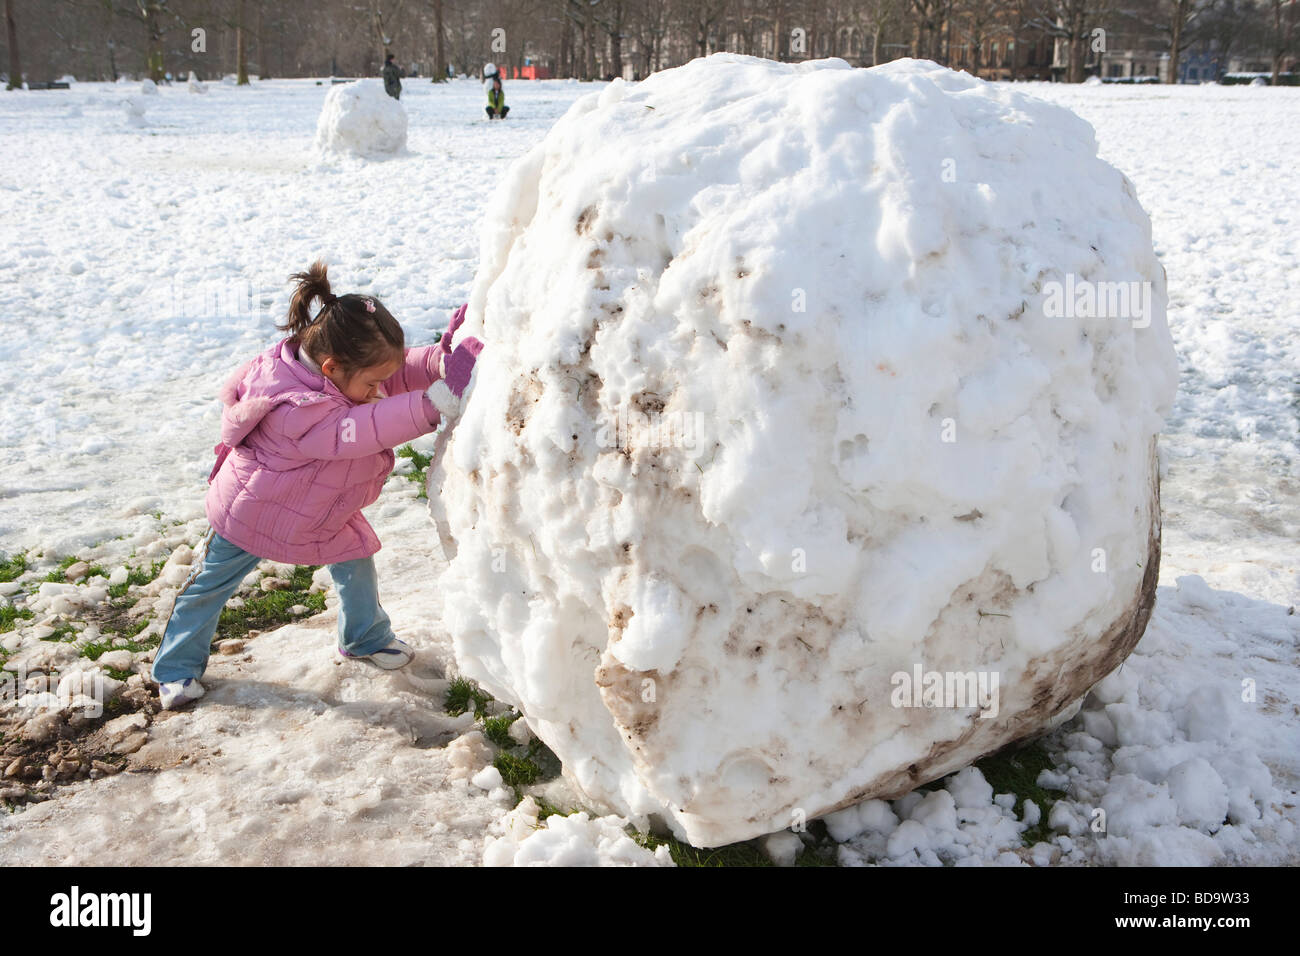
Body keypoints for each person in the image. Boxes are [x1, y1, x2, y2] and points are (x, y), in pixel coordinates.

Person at [150, 261, 483, 710]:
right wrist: (431, 404)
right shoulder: (292, 407)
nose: (380, 389)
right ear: (331, 367)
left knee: (357, 560)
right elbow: (353, 429)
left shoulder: (340, 371)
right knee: (209, 585)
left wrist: (438, 361)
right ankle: (175, 670)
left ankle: (364, 637)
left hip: (318, 510)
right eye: (372, 382)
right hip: (250, 512)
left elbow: (391, 372)